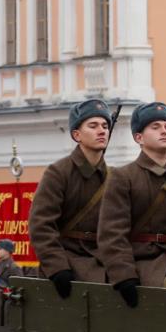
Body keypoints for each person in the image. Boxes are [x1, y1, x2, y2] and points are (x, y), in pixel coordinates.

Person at [98, 101, 166, 303]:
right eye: (155, 127)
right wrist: (124, 276)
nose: (164, 132)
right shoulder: (123, 177)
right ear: (139, 137)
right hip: (144, 264)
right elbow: (112, 234)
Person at [30, 99, 114, 295]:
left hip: (106, 262)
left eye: (105, 126)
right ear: (77, 135)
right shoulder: (58, 173)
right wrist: (58, 268)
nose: (101, 131)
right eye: (93, 126)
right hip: (69, 264)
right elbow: (41, 225)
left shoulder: (114, 177)